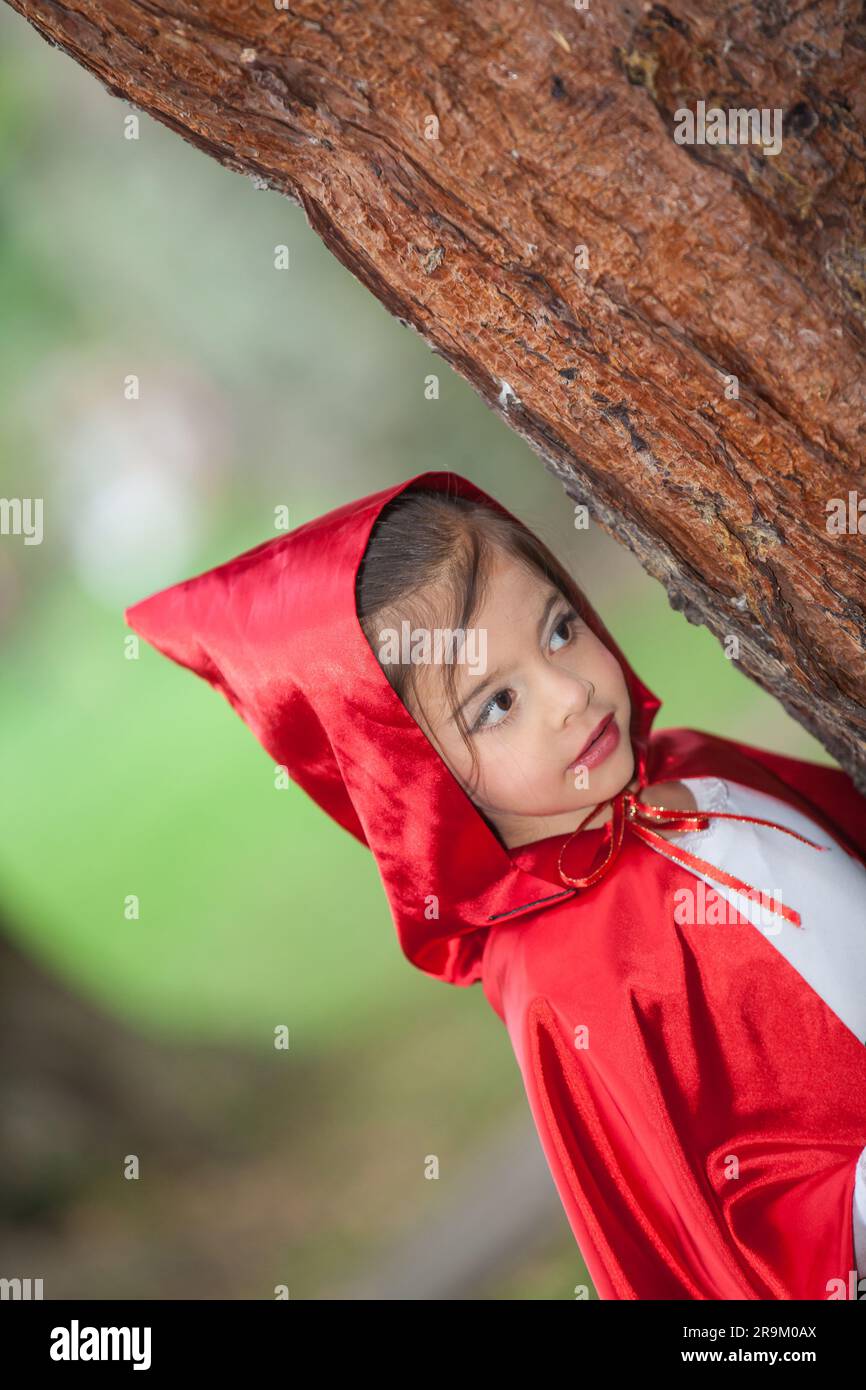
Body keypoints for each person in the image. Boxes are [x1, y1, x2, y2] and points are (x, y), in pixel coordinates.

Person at [124, 470, 866, 1299]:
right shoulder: (572, 981)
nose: (570, 692)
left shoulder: (691, 765)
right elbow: (731, 1259)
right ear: (414, 776)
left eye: (558, 629)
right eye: (497, 704)